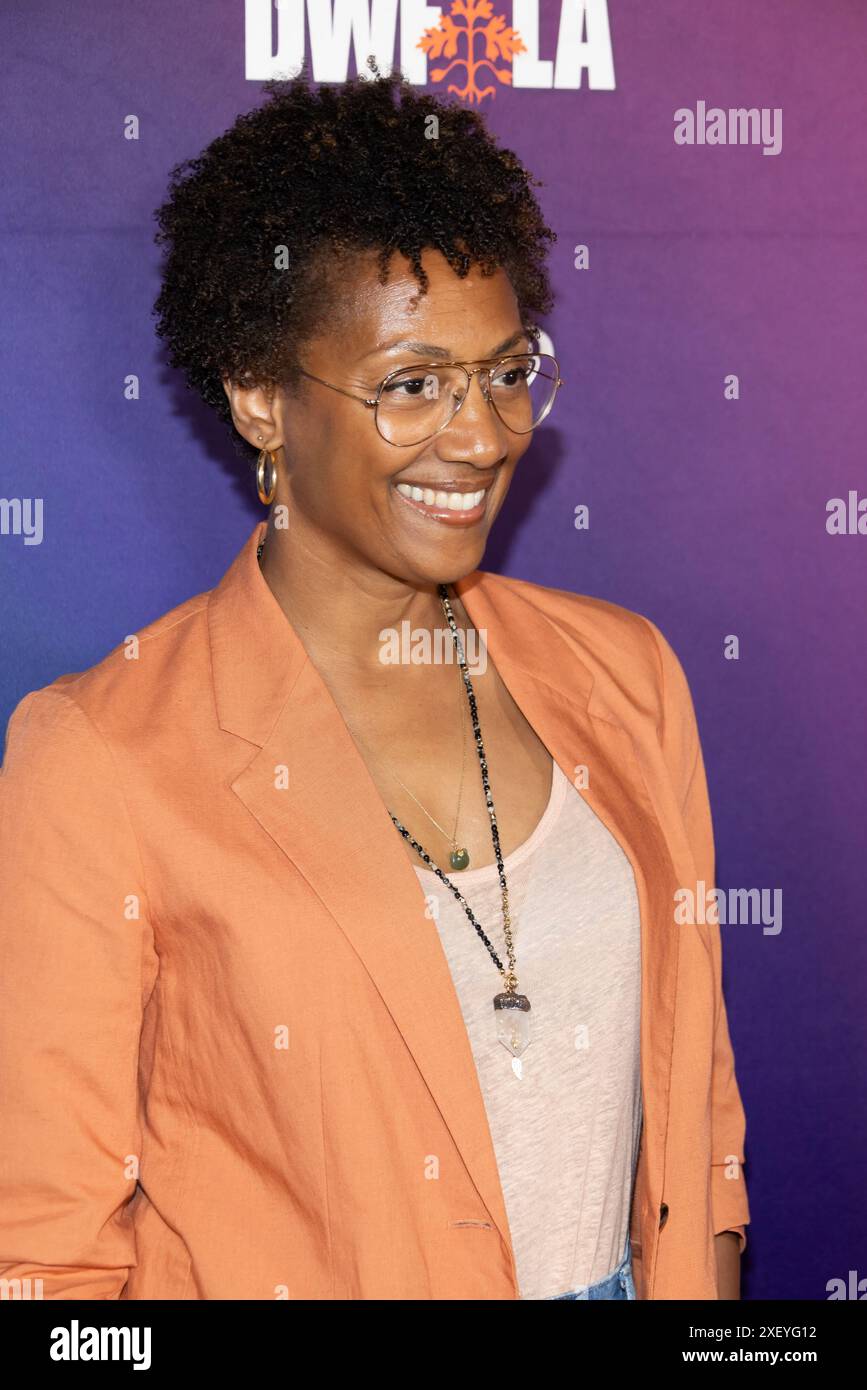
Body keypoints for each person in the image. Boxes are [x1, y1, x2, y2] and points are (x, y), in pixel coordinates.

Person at [0, 66, 749, 1301]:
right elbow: (41, 1260)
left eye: (507, 371)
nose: (482, 433)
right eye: (412, 385)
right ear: (260, 398)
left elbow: (696, 1117)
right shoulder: (102, 754)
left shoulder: (629, 674)